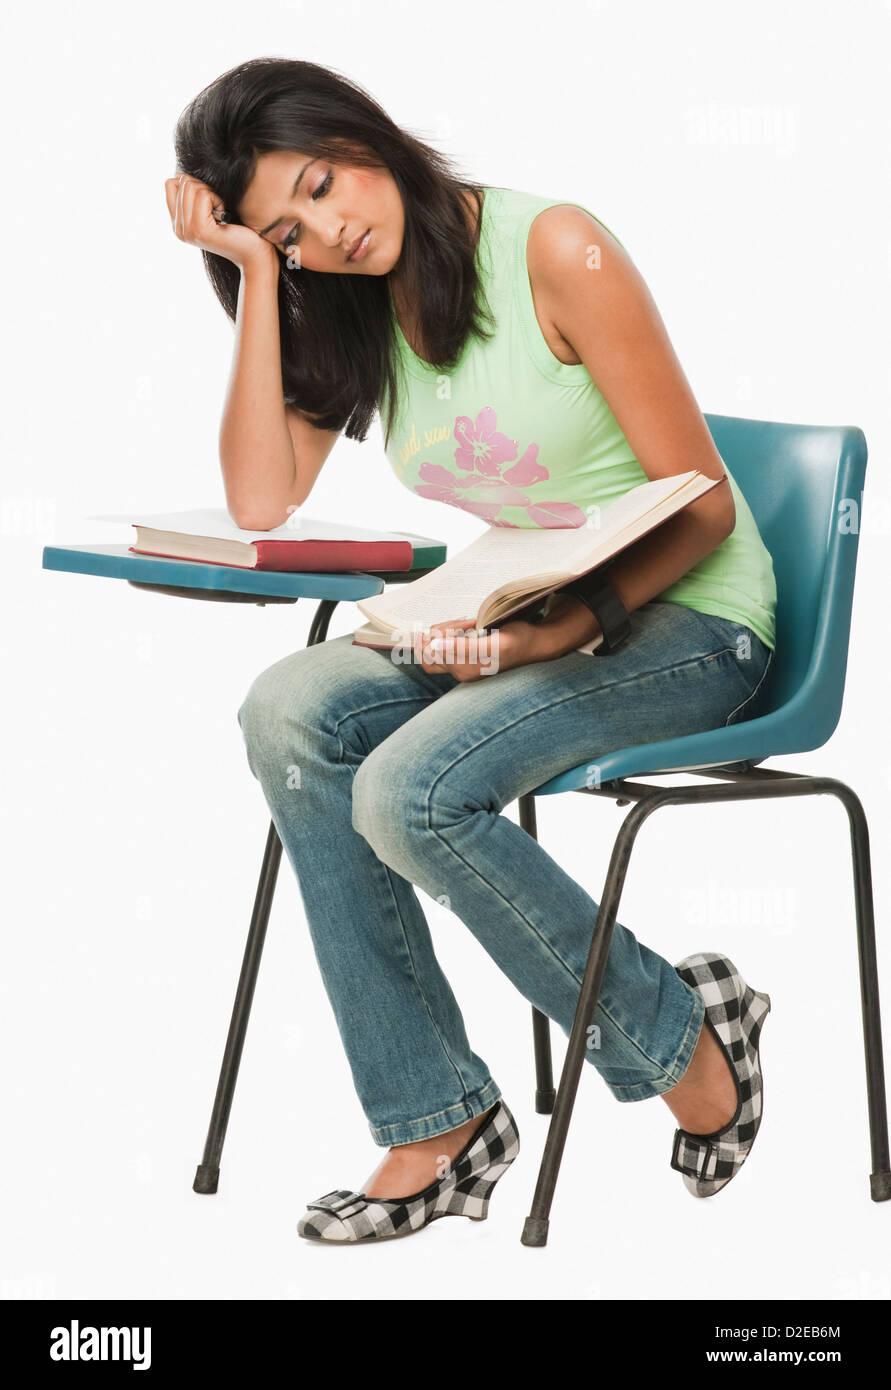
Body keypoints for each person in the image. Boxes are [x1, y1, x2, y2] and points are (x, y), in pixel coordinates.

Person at [165, 57, 776, 1244]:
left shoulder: (555, 249)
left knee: (412, 788)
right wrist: (251, 273)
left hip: (693, 619)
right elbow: (260, 496)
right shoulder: (339, 298)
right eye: (293, 230)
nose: (332, 230)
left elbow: (699, 505)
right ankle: (438, 1118)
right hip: (520, 605)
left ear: (360, 133)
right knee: (286, 708)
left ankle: (686, 1038)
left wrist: (551, 629)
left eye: (325, 183)